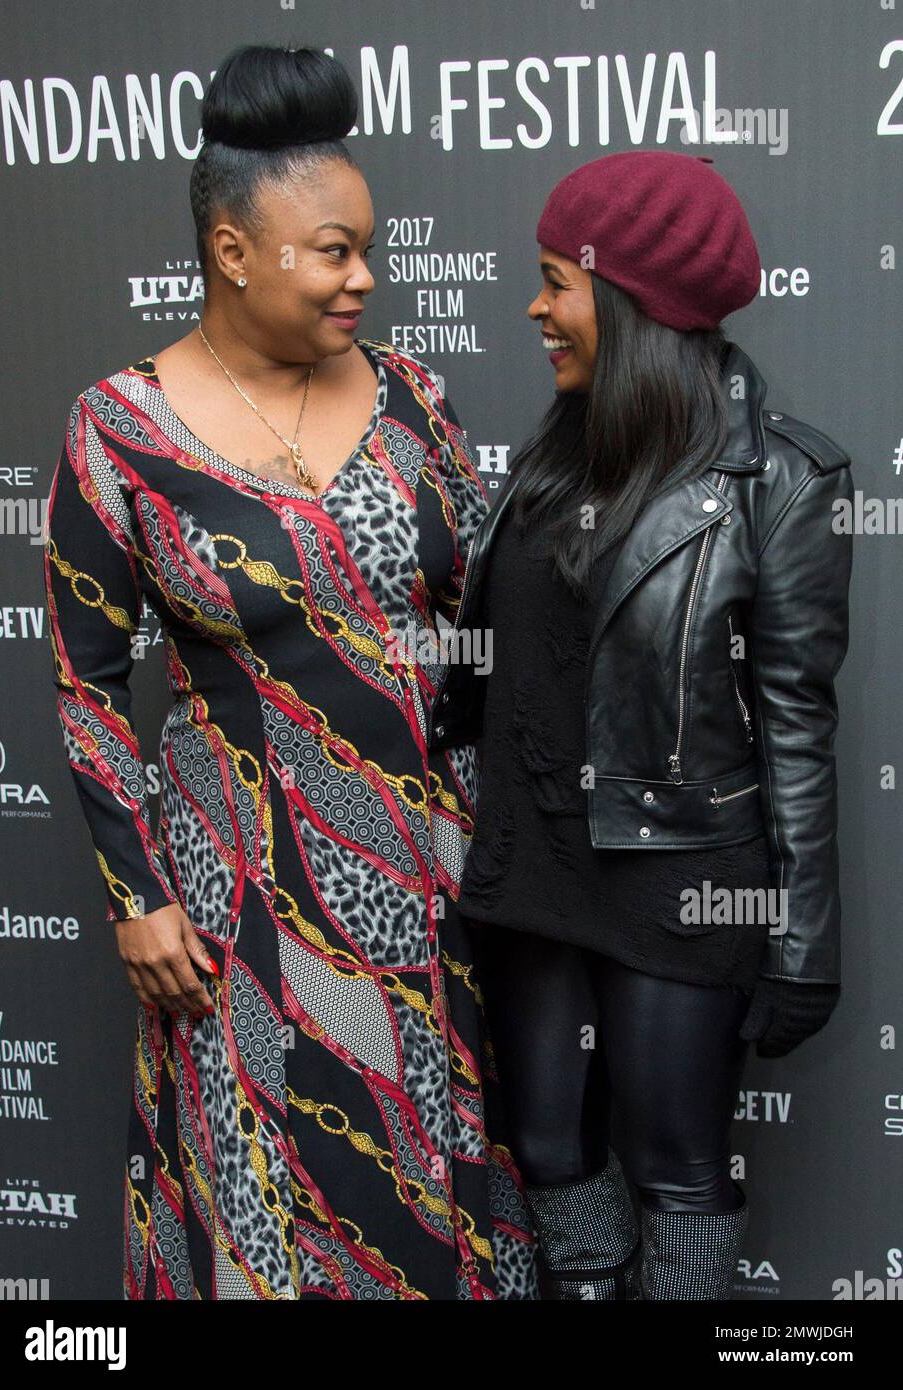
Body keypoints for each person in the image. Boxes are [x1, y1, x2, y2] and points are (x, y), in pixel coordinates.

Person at [42, 43, 539, 1301]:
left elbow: (481, 622)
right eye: (335, 250)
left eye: (368, 248)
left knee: (424, 1188)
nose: (364, 278)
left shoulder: (414, 400)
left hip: (424, 880)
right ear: (232, 251)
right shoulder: (121, 430)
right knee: (262, 1195)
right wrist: (134, 899)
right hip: (233, 898)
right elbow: (88, 687)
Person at [428, 150, 855, 1300]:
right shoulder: (546, 460)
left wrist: (803, 942)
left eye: (556, 279)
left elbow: (797, 727)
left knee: (675, 1179)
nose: (535, 306)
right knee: (553, 1160)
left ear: (631, 300)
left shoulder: (781, 482)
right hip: (530, 873)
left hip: (679, 881)